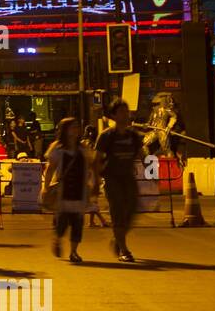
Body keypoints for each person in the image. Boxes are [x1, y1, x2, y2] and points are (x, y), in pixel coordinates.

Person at [94, 99, 141, 263]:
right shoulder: (106, 136)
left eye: (126, 111)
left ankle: (118, 238)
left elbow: (139, 154)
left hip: (128, 177)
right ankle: (124, 249)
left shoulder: (133, 135)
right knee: (118, 213)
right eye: (121, 112)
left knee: (132, 210)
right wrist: (96, 179)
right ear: (113, 115)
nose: (125, 115)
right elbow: (97, 159)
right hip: (112, 178)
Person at [41, 118, 92, 263]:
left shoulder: (83, 148)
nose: (75, 130)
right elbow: (50, 169)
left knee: (77, 223)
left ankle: (74, 252)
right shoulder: (57, 148)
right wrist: (46, 188)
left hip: (79, 190)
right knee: (62, 222)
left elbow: (89, 168)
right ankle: (57, 239)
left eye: (77, 127)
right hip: (63, 191)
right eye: (72, 127)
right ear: (65, 130)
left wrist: (91, 185)